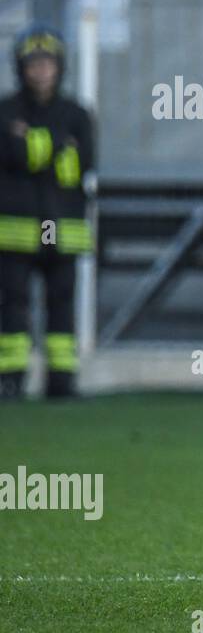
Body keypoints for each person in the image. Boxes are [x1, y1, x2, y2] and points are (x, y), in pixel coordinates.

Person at [0, 26, 95, 399]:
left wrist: (34, 143)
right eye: (33, 64)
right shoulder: (6, 112)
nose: (41, 71)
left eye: (47, 63)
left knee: (61, 307)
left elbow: (77, 168)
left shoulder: (76, 114)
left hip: (62, 230)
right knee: (13, 307)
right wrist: (56, 145)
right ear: (21, 67)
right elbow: (17, 158)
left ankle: (62, 381)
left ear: (59, 67)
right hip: (16, 232)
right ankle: (10, 378)